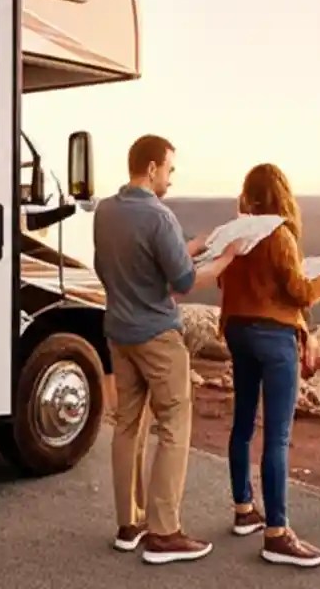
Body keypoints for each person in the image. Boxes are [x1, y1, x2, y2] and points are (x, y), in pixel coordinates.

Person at [93, 134, 242, 565]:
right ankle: (164, 532)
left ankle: (130, 525)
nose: (171, 179)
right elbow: (183, 282)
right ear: (154, 167)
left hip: (119, 331)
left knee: (127, 425)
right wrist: (228, 256)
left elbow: (121, 264)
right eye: (170, 170)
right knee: (175, 422)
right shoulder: (159, 216)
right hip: (157, 336)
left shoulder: (106, 210)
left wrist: (194, 243)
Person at [217, 162, 320, 568]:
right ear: (282, 195)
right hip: (273, 338)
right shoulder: (279, 234)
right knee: (276, 436)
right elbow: (301, 293)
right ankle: (277, 534)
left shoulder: (235, 232)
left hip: (238, 332)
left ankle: (244, 510)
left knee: (242, 424)